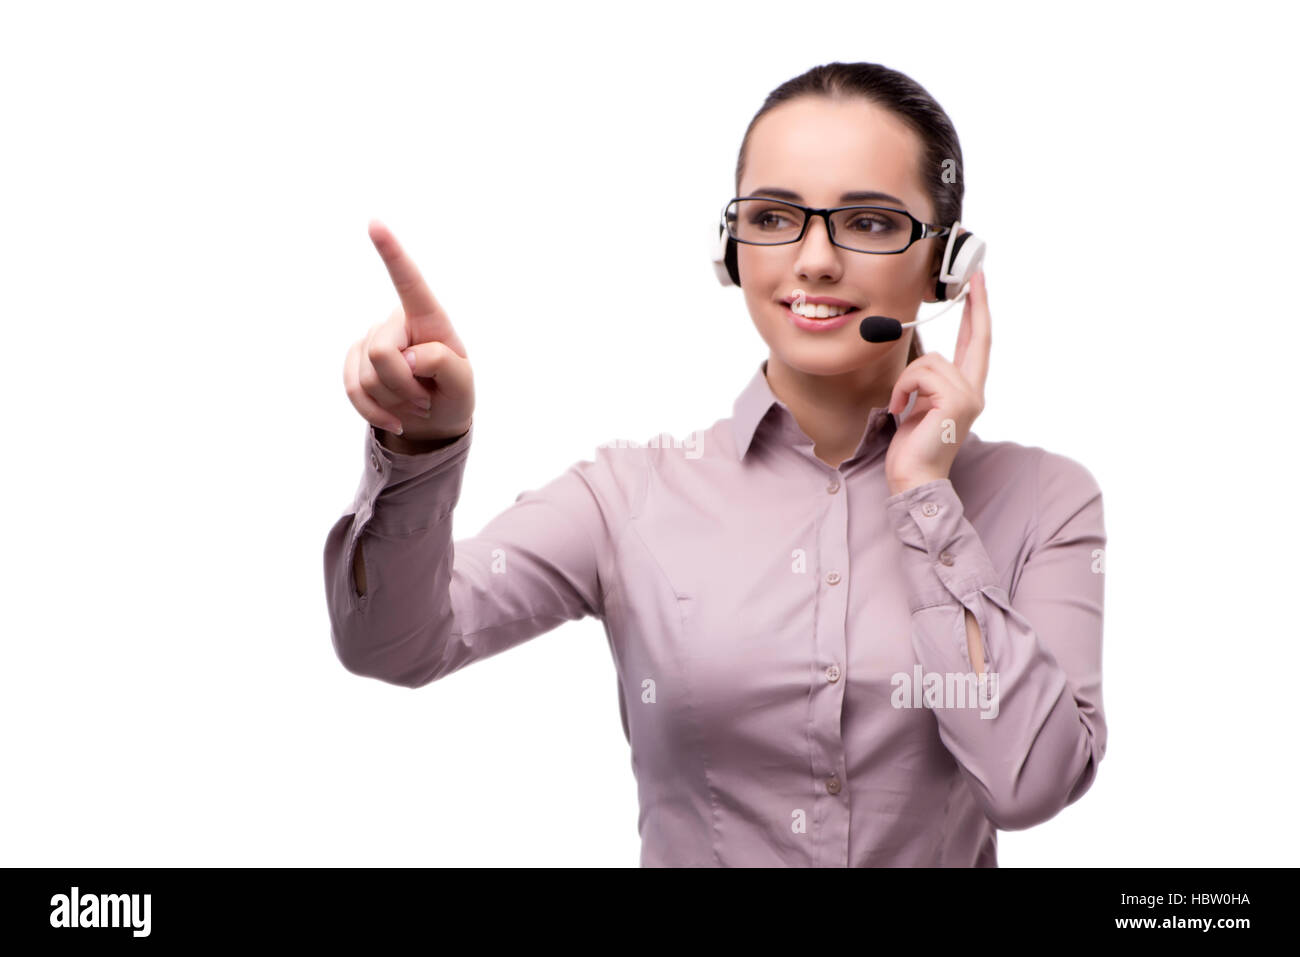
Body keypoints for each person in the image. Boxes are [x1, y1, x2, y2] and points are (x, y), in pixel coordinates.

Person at [322, 61, 1106, 867]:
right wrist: (420, 448)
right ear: (731, 250)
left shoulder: (1045, 500)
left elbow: (1031, 785)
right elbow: (393, 643)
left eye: (869, 222)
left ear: (949, 261)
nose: (814, 260)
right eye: (775, 217)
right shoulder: (626, 496)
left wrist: (925, 496)